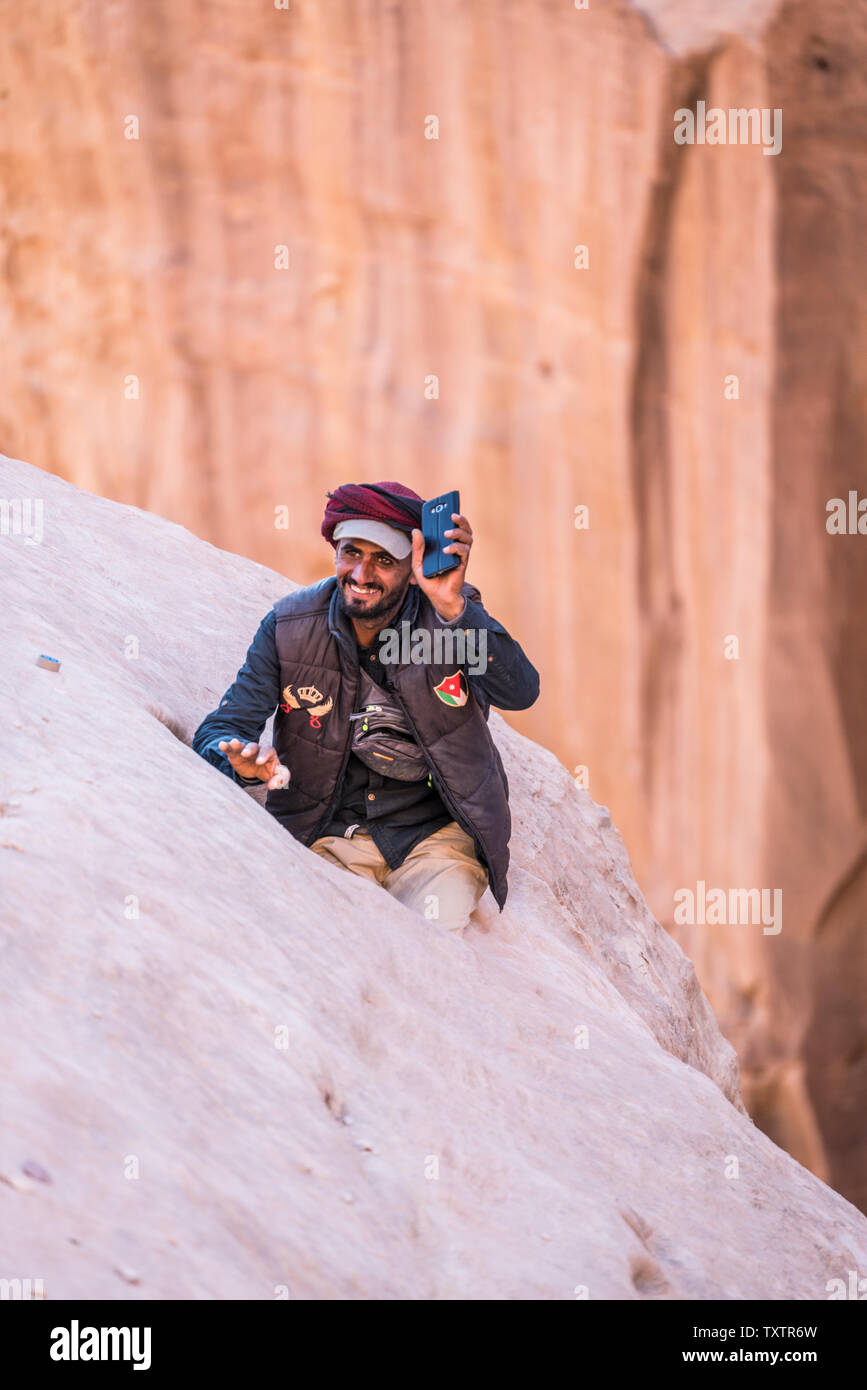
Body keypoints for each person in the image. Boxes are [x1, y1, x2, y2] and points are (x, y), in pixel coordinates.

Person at [193, 481, 540, 930]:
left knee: (429, 947)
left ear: (414, 565)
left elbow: (521, 692)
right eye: (351, 552)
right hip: (329, 838)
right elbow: (221, 729)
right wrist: (241, 762)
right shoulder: (290, 626)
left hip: (434, 843)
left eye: (383, 560)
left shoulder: (450, 617)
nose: (361, 574)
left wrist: (454, 607)